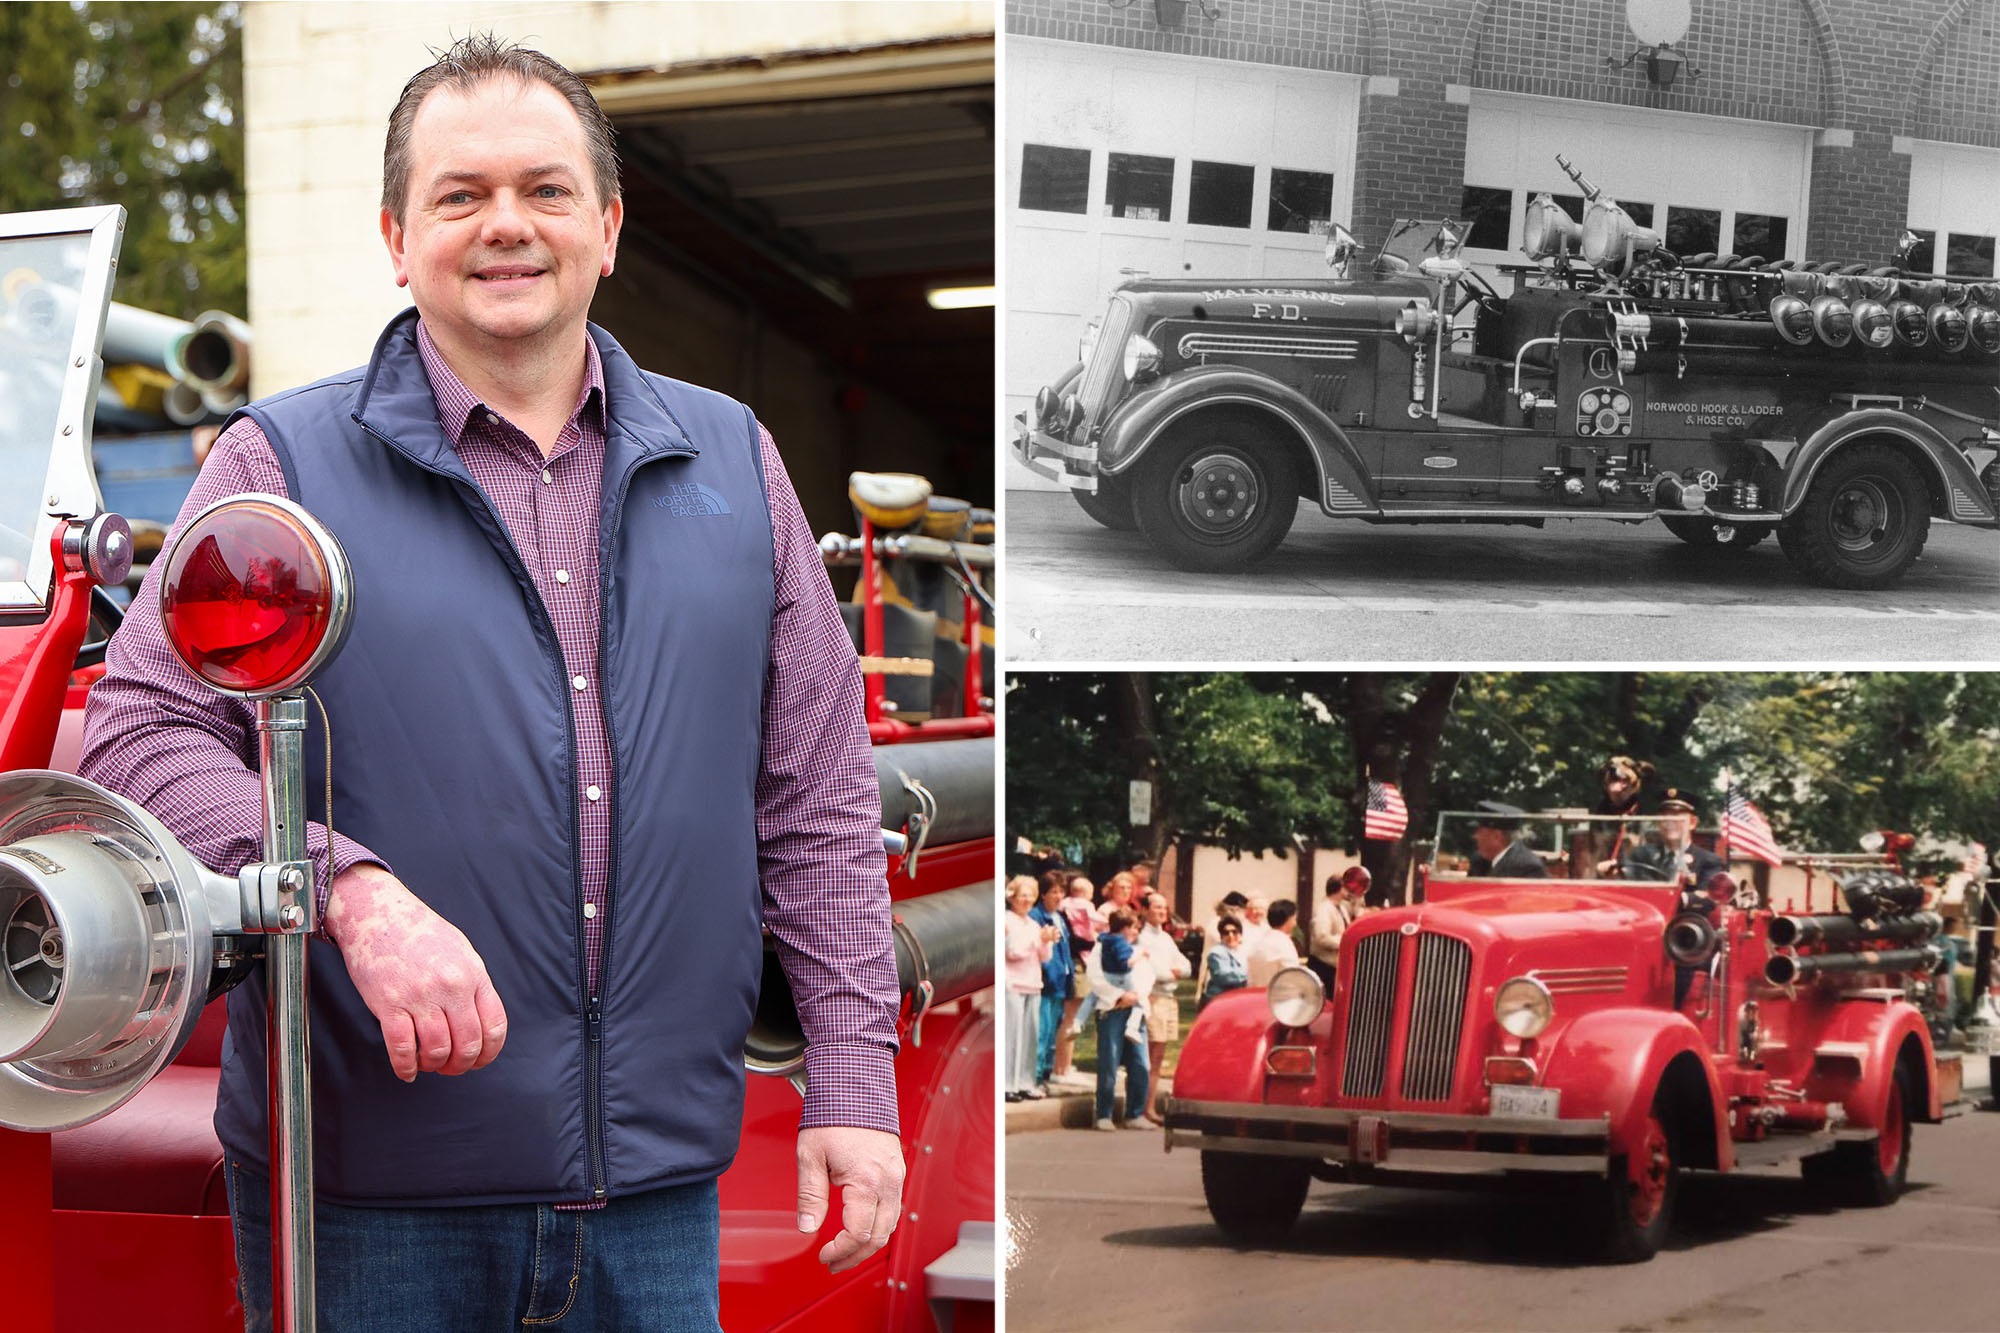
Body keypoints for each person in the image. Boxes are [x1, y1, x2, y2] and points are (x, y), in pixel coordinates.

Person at [78, 36, 902, 1330]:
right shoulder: (278, 465)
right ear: (400, 237)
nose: (506, 225)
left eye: (546, 189)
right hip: (367, 1204)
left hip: (655, 1194)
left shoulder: (736, 465)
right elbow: (140, 734)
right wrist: (346, 888)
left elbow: (819, 795)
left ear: (609, 226)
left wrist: (855, 1078)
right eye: (462, 196)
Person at [1086, 909, 1154, 1130]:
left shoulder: (1139, 950)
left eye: (1136, 928)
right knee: (1109, 1061)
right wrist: (1118, 996)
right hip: (1111, 1008)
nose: (1133, 932)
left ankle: (1135, 1113)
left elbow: (1147, 976)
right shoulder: (1102, 946)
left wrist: (1136, 995)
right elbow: (1095, 976)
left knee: (1141, 1063)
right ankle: (1104, 1114)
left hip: (1136, 1008)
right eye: (1130, 927)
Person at [1136, 892, 1192, 1124]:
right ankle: (1140, 1108)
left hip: (1169, 999)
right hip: (1154, 998)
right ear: (1146, 910)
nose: (1161, 912)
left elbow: (1187, 966)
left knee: (1159, 1057)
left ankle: (1149, 1107)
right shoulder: (1142, 937)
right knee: (1148, 1056)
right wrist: (1171, 974)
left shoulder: (1166, 938)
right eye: (1157, 907)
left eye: (1164, 908)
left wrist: (1172, 973)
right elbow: (1153, 971)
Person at [1006, 877, 1055, 1103]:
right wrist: (1037, 941)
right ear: (1012, 897)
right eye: (1022, 895)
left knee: (1030, 1036)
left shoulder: (1034, 924)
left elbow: (1046, 957)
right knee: (1013, 1036)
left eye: (1029, 895)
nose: (1026, 900)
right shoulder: (1007, 920)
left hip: (1033, 984)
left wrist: (1046, 941)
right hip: (1013, 984)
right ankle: (1008, 1084)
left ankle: (1026, 1082)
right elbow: (1012, 952)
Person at [1029, 874, 1075, 1095]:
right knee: (1042, 1031)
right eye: (1053, 892)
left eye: (1061, 892)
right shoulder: (1037, 917)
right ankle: (1036, 1077)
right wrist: (1049, 973)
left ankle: (1046, 1074)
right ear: (1043, 894)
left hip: (1061, 982)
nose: (1058, 896)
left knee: (1053, 1034)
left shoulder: (1060, 918)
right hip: (1047, 982)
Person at [1308, 867, 1367, 991]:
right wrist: (1346, 942)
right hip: (1324, 966)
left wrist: (1358, 897)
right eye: (1347, 887)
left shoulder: (1342, 907)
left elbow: (1358, 913)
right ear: (1339, 888)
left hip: (1334, 965)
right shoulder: (1324, 909)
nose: (1350, 889)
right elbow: (1322, 937)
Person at [1471, 805, 1549, 879]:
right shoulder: (1479, 860)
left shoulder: (1528, 866)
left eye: (1479, 831)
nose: (1475, 836)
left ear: (1496, 836)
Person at [1246, 899, 1303, 987]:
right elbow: (1292, 978)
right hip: (1277, 997)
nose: (1295, 923)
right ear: (1289, 919)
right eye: (1294, 919)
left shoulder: (1259, 942)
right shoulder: (1285, 944)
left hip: (1255, 995)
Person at [1200, 917, 1250, 1009]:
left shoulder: (1243, 952)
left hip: (1237, 1000)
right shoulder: (1216, 953)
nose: (1230, 936)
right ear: (1221, 936)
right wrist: (1249, 974)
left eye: (1234, 932)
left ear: (1240, 934)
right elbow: (1225, 977)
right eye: (1226, 933)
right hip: (1219, 1001)